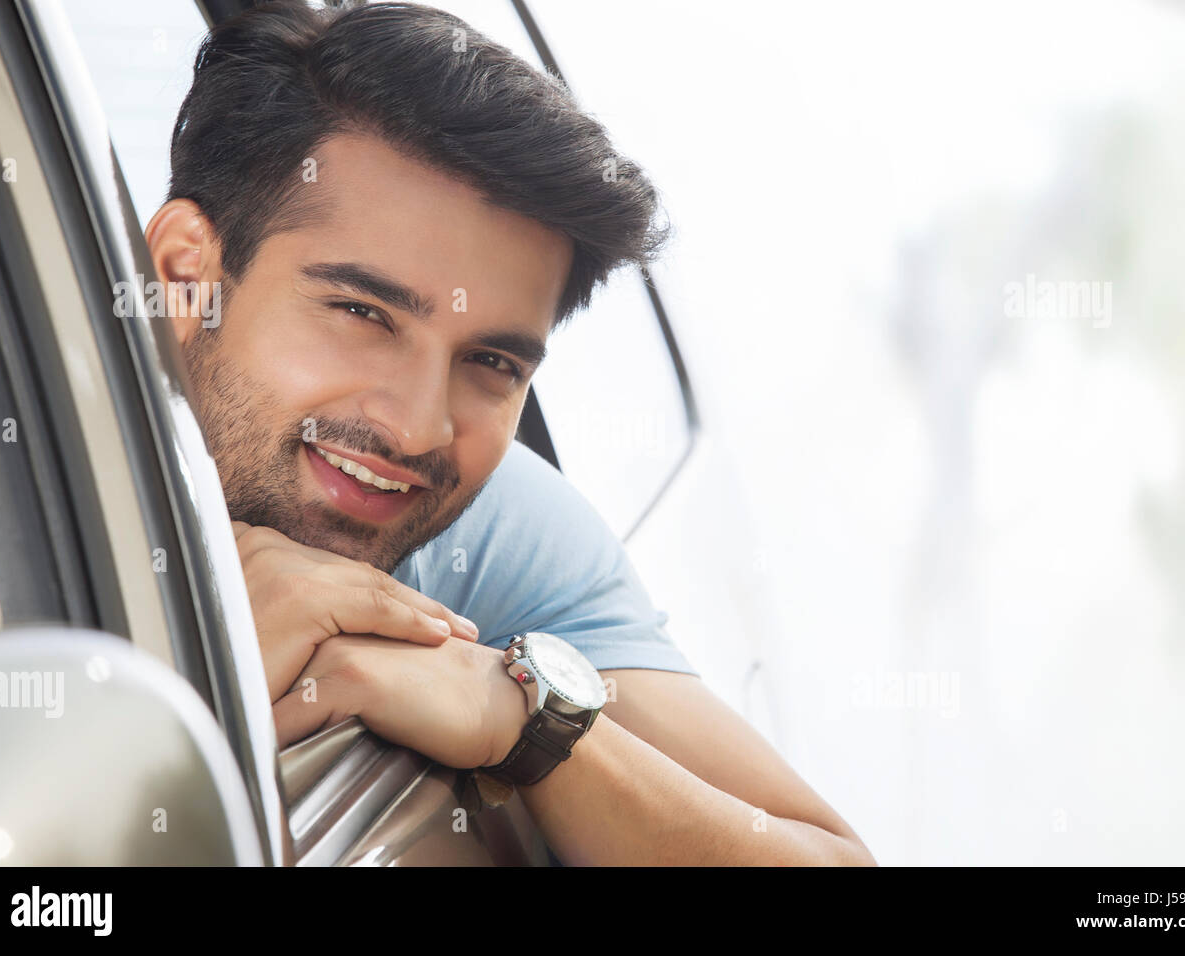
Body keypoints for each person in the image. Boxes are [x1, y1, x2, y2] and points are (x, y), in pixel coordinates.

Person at [144, 0, 874, 865]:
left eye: (490, 363)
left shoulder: (487, 532)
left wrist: (524, 719)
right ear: (187, 276)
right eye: (361, 312)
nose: (417, 428)